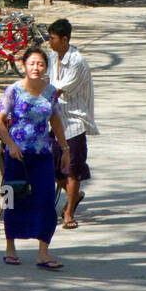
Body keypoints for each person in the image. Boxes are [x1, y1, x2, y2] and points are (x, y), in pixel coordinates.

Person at [0, 47, 69, 270]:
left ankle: (43, 253)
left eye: (40, 64)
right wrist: (11, 145)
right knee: (12, 200)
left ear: (46, 67)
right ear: (24, 66)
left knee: (46, 202)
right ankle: (10, 247)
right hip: (16, 156)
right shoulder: (13, 91)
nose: (36, 68)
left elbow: (55, 120)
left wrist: (64, 149)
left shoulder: (51, 92)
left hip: (42, 155)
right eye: (32, 64)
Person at [45, 19, 98, 230]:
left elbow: (56, 89)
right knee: (52, 168)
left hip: (74, 122)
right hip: (56, 120)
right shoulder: (51, 57)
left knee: (71, 170)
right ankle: (74, 194)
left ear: (64, 39)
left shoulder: (77, 62)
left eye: (52, 38)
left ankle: (68, 213)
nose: (49, 42)